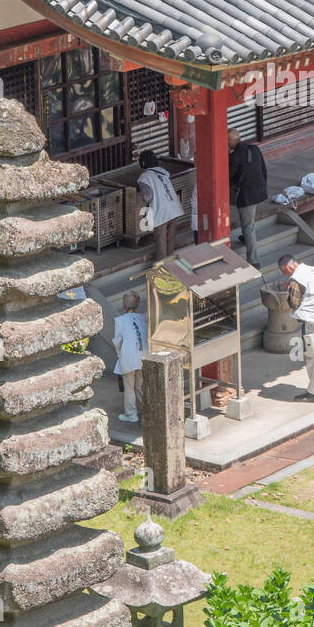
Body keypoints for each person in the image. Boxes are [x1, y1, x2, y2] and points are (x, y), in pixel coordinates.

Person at [279, 253, 314, 402]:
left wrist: (289, 290)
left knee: (313, 357)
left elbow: (294, 303)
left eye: (284, 272)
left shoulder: (296, 279)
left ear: (287, 268)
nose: (286, 275)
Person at [228, 128, 268, 267]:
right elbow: (263, 169)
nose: (226, 144)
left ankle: (253, 260)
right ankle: (246, 239)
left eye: (227, 141)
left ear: (232, 140)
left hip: (246, 196)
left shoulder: (234, 157)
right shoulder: (254, 149)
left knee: (248, 226)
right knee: (249, 222)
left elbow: (229, 176)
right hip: (258, 190)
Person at [136, 150, 184, 261]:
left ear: (143, 163)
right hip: (174, 208)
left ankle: (163, 269)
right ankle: (171, 264)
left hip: (161, 211)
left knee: (161, 243)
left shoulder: (144, 177)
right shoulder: (164, 173)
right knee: (170, 239)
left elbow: (148, 197)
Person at [112, 290, 148, 424]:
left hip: (128, 356)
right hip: (143, 355)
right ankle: (144, 408)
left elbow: (118, 341)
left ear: (123, 304)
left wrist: (119, 355)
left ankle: (131, 414)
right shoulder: (142, 318)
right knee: (140, 384)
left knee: (129, 387)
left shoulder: (120, 320)